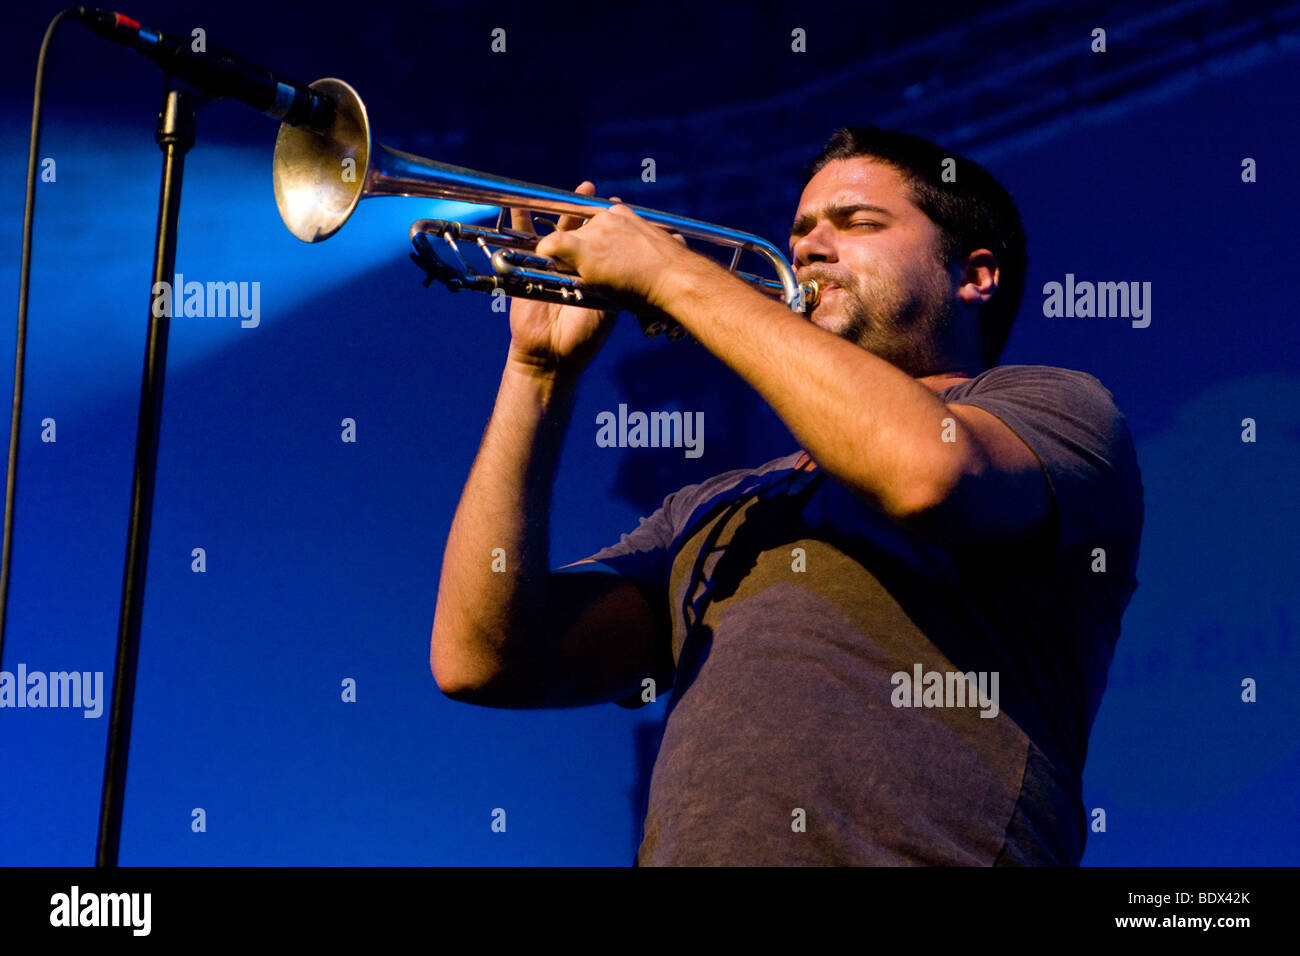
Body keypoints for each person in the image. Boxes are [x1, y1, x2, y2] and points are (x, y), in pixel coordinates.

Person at [429, 126, 1144, 866]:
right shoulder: (719, 506)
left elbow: (924, 474)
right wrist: (537, 370)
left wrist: (672, 272)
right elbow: (483, 660)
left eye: (858, 222)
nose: (808, 247)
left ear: (976, 276)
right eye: (800, 230)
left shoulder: (1058, 409)